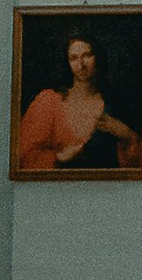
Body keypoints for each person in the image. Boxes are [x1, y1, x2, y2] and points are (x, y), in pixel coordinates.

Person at [14, 28, 124, 174]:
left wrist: (126, 135)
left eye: (87, 55)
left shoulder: (114, 103)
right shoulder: (48, 101)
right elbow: (22, 155)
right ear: (67, 63)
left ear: (98, 58)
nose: (81, 64)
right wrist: (59, 158)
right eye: (73, 58)